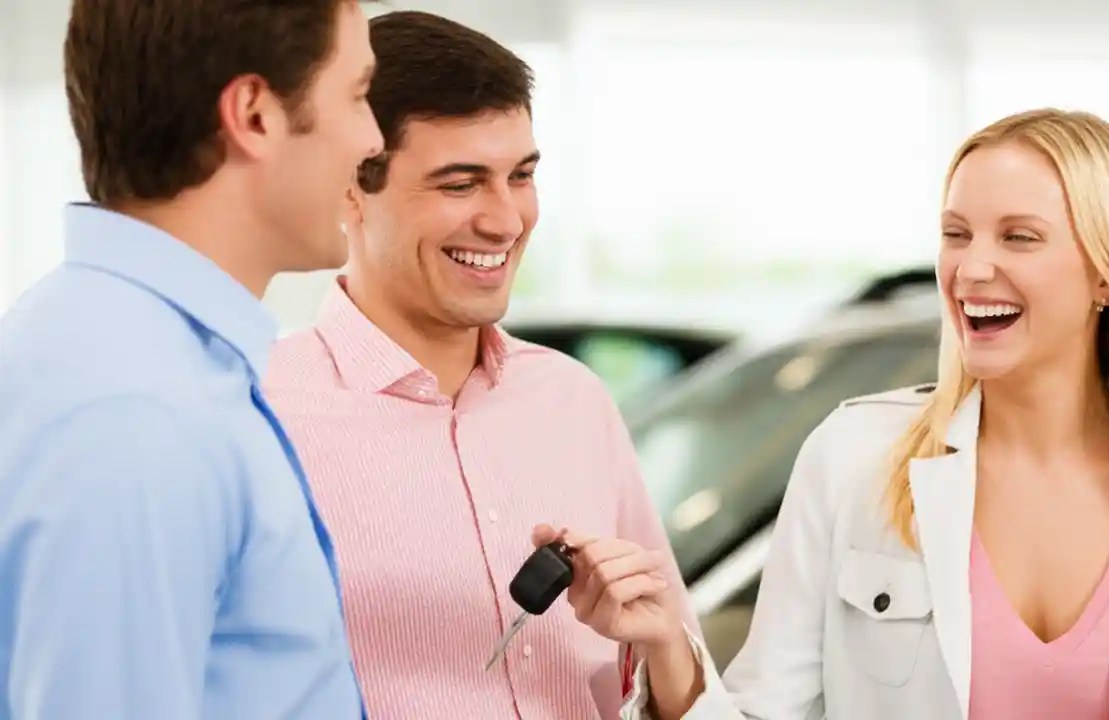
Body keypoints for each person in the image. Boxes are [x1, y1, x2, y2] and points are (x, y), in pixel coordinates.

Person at [552, 108, 1109, 719]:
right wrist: (668, 649)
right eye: (957, 233)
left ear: (1107, 272)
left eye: (1018, 236)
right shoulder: (854, 460)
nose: (970, 268)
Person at [263, 10, 701, 719]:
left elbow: (676, 680)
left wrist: (668, 656)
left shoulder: (574, 401)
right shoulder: (258, 414)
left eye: (520, 176)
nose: (505, 221)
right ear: (350, 188)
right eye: (460, 184)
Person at [0, 1, 384, 717]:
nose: (373, 139)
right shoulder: (137, 412)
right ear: (254, 114)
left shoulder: (119, 350)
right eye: (359, 95)